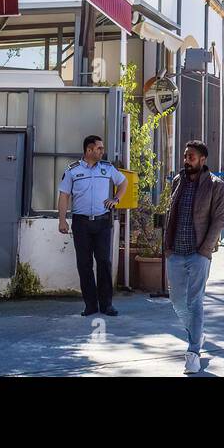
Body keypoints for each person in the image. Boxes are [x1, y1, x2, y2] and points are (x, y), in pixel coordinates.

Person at [164, 140, 224, 374]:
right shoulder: (178, 181)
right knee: (177, 302)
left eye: (191, 156)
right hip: (175, 253)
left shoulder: (215, 186)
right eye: (185, 156)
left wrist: (205, 250)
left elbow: (219, 219)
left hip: (199, 253)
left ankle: (193, 353)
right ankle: (197, 334)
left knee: (195, 301)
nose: (186, 160)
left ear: (203, 160)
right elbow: (172, 214)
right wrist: (167, 248)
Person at [58, 135, 127, 317]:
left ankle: (107, 305)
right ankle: (90, 305)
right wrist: (62, 220)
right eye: (99, 148)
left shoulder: (107, 168)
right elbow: (64, 195)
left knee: (104, 262)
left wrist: (116, 199)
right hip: (81, 223)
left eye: (102, 148)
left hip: (103, 222)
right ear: (88, 150)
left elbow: (123, 182)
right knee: (84, 264)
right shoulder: (72, 170)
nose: (102, 151)